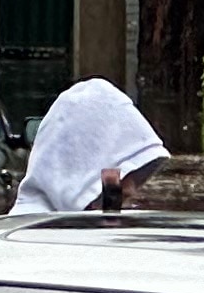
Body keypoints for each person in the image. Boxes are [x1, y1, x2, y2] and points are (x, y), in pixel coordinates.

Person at [12, 77, 167, 215]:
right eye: (121, 167)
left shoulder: (81, 231)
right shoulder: (29, 239)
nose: (131, 189)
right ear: (82, 165)